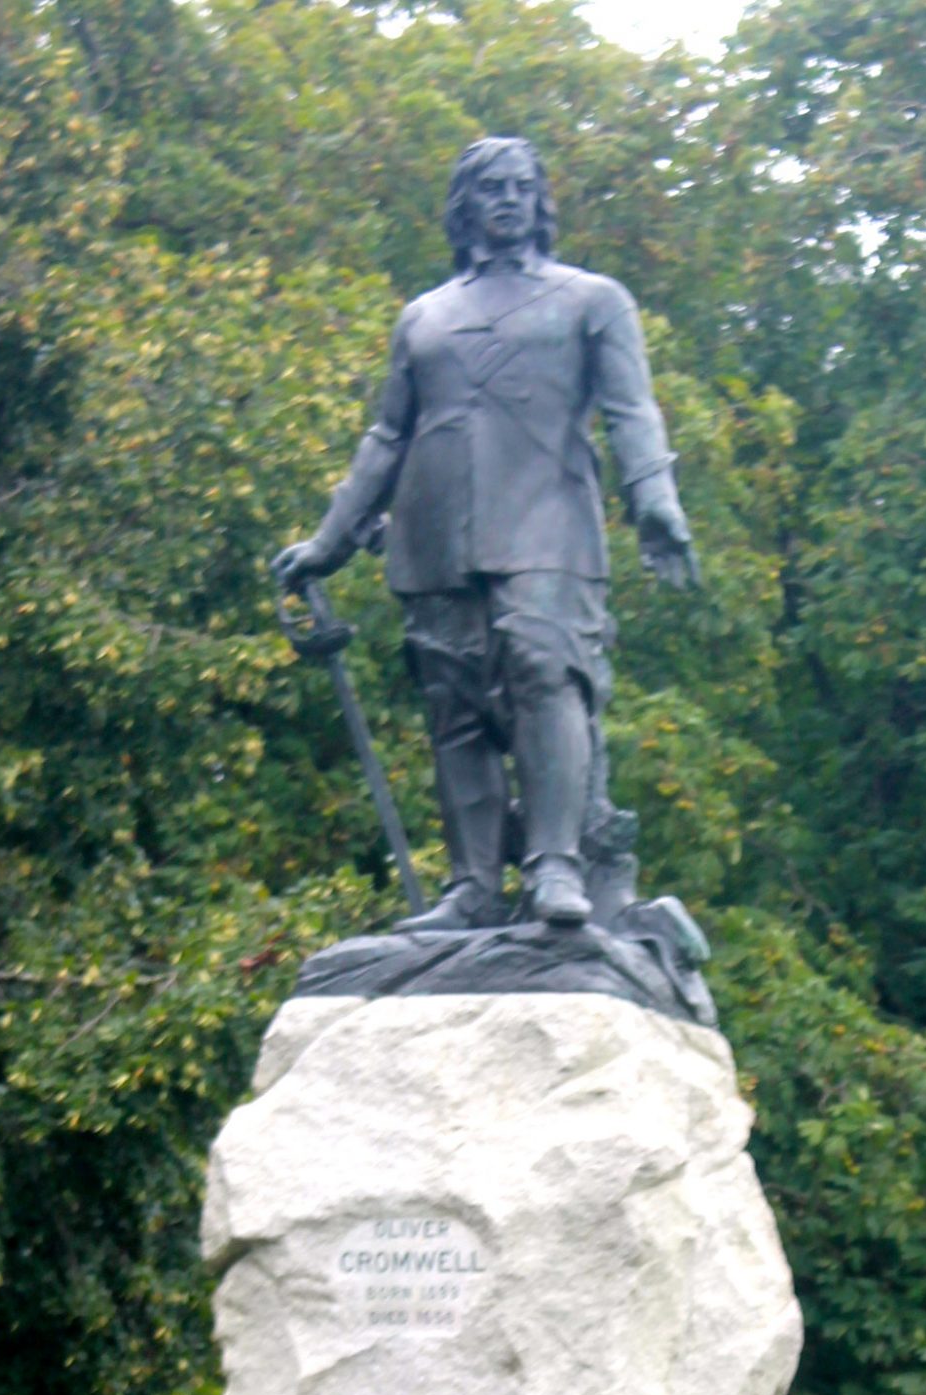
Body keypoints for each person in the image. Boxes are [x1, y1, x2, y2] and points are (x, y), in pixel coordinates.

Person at [273, 135, 698, 931]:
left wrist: (655, 500)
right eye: (490, 188)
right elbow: (386, 437)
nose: (507, 199)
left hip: (548, 519)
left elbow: (631, 409)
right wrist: (330, 540)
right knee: (454, 704)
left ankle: (556, 866)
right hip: (435, 531)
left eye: (521, 186)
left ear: (540, 202)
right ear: (464, 206)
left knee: (545, 670)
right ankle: (471, 887)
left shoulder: (591, 299)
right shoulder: (424, 316)